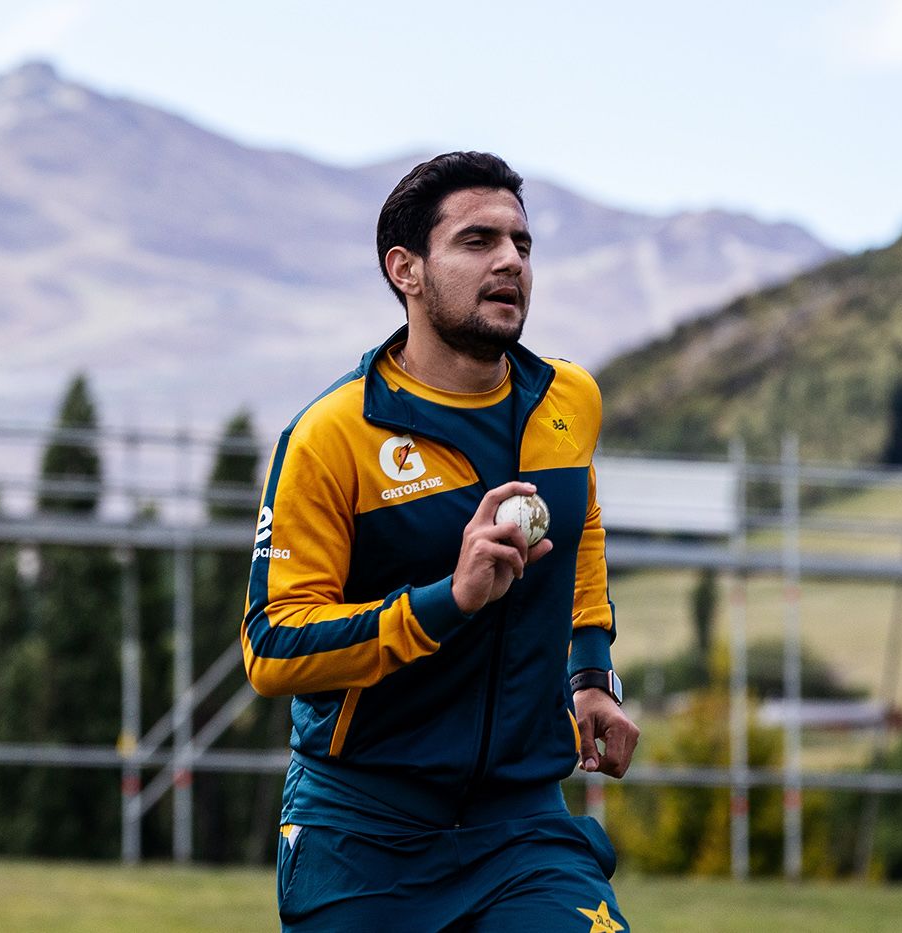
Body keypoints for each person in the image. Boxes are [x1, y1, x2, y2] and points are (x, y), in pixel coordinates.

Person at [241, 151, 639, 932]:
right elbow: (272, 648)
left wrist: (591, 672)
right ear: (406, 270)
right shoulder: (333, 435)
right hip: (363, 827)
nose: (509, 262)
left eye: (522, 245)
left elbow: (582, 524)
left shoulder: (568, 399)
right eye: (476, 241)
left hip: (522, 824)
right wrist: (444, 603)